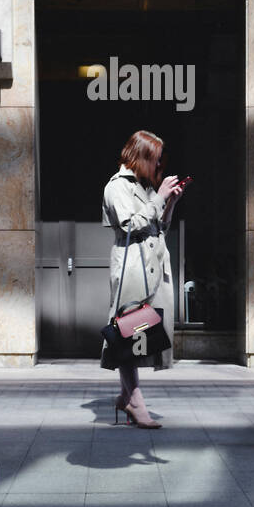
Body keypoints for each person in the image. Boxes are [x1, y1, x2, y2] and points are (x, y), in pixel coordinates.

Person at [101, 130, 184, 429]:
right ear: (143, 156)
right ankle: (134, 400)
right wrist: (158, 198)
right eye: (156, 160)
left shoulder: (142, 186)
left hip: (153, 267)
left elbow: (158, 226)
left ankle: (126, 397)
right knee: (129, 332)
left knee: (142, 334)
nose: (158, 166)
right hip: (133, 267)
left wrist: (169, 202)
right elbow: (129, 226)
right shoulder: (117, 187)